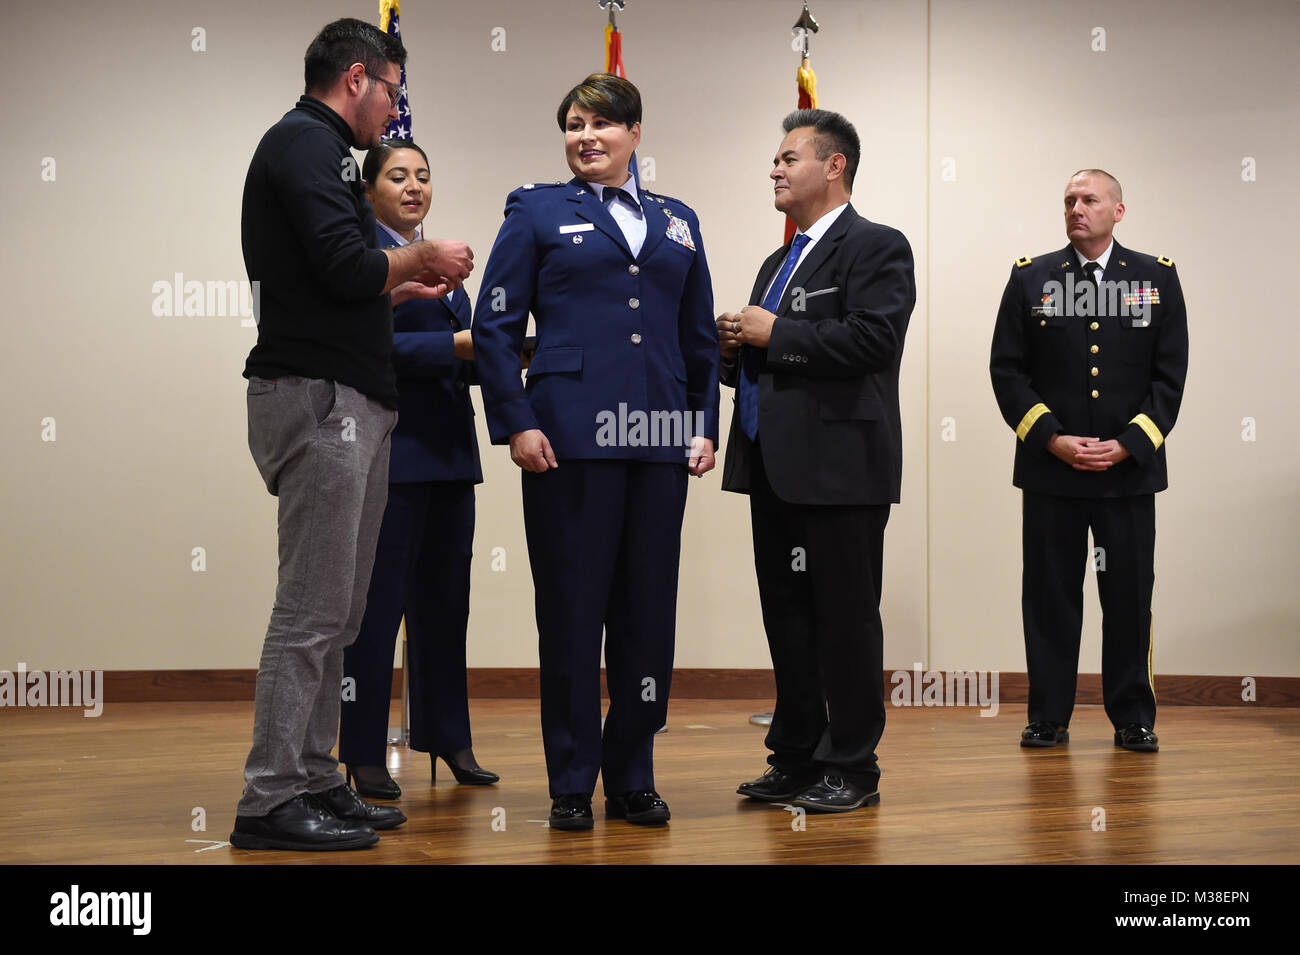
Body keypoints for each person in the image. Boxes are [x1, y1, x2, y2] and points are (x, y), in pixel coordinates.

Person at [231, 18, 474, 851]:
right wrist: (422, 261)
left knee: (339, 609)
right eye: (394, 93)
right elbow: (345, 265)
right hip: (318, 396)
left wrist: (394, 291)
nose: (394, 111)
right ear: (359, 77)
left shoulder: (324, 151)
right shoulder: (304, 143)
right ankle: (268, 798)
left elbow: (332, 280)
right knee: (310, 610)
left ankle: (311, 774)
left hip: (351, 395)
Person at [471, 74, 719, 831]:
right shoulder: (538, 209)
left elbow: (698, 336)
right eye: (575, 125)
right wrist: (515, 421)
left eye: (602, 125)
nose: (586, 136)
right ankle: (572, 778)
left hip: (659, 444)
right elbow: (495, 327)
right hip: (567, 439)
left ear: (635, 134)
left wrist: (703, 420)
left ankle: (633, 773)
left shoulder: (679, 221)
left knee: (648, 614)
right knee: (574, 613)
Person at [719, 109, 915, 813]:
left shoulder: (878, 246)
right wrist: (734, 349)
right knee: (789, 617)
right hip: (773, 467)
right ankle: (796, 755)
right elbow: (777, 356)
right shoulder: (780, 259)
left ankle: (853, 767)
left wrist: (779, 332)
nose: (774, 168)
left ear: (834, 165)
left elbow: (873, 342)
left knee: (845, 619)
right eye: (774, 159)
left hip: (841, 470)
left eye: (788, 157)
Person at [990, 169, 1188, 753]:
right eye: (1070, 200)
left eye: (1090, 199)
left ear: (1118, 211)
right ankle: (1048, 716)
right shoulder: (1032, 280)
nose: (1077, 208)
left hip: (1128, 475)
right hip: (1053, 473)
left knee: (1128, 598)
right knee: (1051, 597)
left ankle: (1133, 717)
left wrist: (1130, 442)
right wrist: (1051, 438)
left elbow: (1169, 377)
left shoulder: (1155, 279)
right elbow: (1007, 372)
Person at [339, 138, 497, 800]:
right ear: (367, 186)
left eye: (424, 176)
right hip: (391, 453)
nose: (414, 186)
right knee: (376, 612)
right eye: (398, 175)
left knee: (445, 604)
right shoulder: (361, 262)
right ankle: (364, 751)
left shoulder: (442, 262)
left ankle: (448, 735)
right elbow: (367, 346)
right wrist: (457, 346)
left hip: (450, 455)